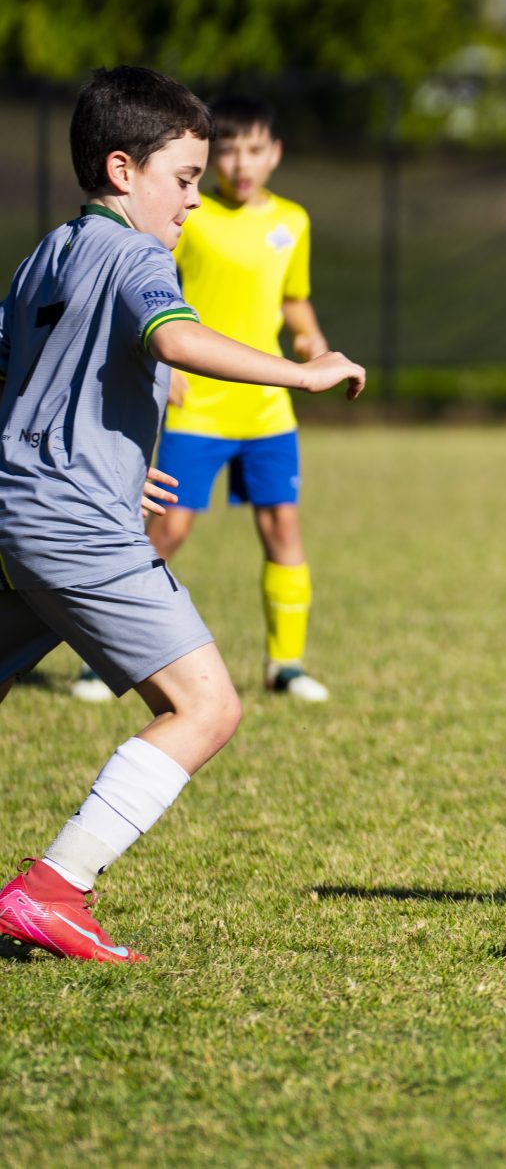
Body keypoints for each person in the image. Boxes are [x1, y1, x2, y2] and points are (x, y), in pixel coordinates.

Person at [0, 67, 365, 962]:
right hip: (78, 526)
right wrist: (302, 371)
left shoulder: (46, 250)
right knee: (205, 707)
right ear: (123, 169)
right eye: (186, 178)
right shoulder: (137, 255)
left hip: (17, 512)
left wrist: (102, 463)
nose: (194, 201)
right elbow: (173, 337)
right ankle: (54, 890)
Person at [72, 93, 333, 704]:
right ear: (214, 161)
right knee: (168, 530)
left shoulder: (292, 222)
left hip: (268, 410)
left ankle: (285, 664)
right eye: (231, 152)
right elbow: (155, 289)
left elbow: (293, 296)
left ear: (275, 154)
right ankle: (101, 659)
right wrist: (172, 370)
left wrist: (308, 333)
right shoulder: (191, 216)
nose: (242, 164)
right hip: (200, 407)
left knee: (282, 529)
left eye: (255, 150)